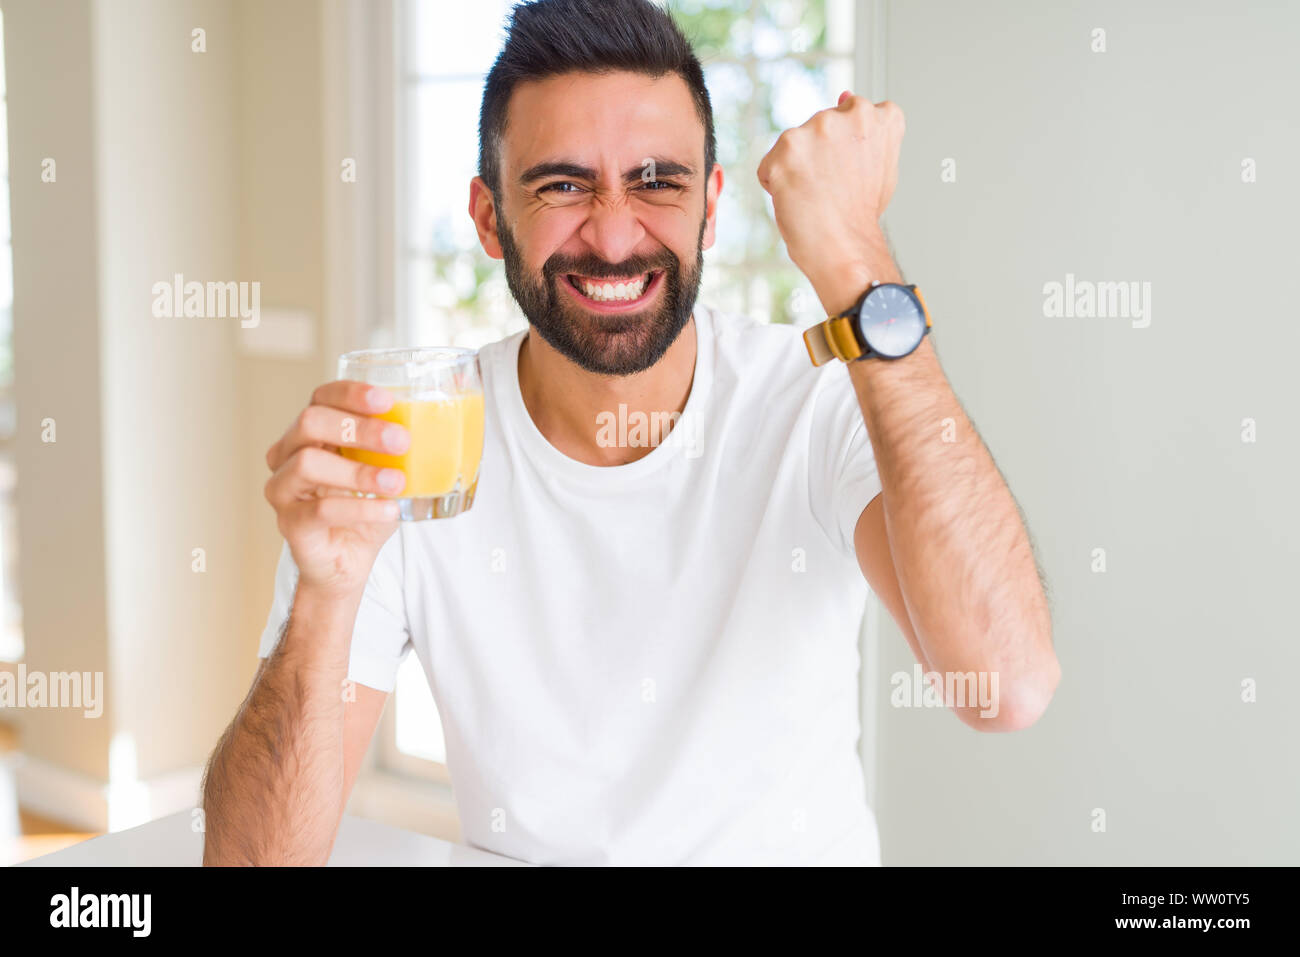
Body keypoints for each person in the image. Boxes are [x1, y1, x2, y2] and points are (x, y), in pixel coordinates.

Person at [202, 0, 1058, 866]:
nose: (613, 235)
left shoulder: (813, 405)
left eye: (658, 181)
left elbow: (1006, 686)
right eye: (562, 185)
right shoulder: (420, 449)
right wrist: (326, 595)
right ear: (491, 217)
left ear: (711, 207)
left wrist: (857, 262)